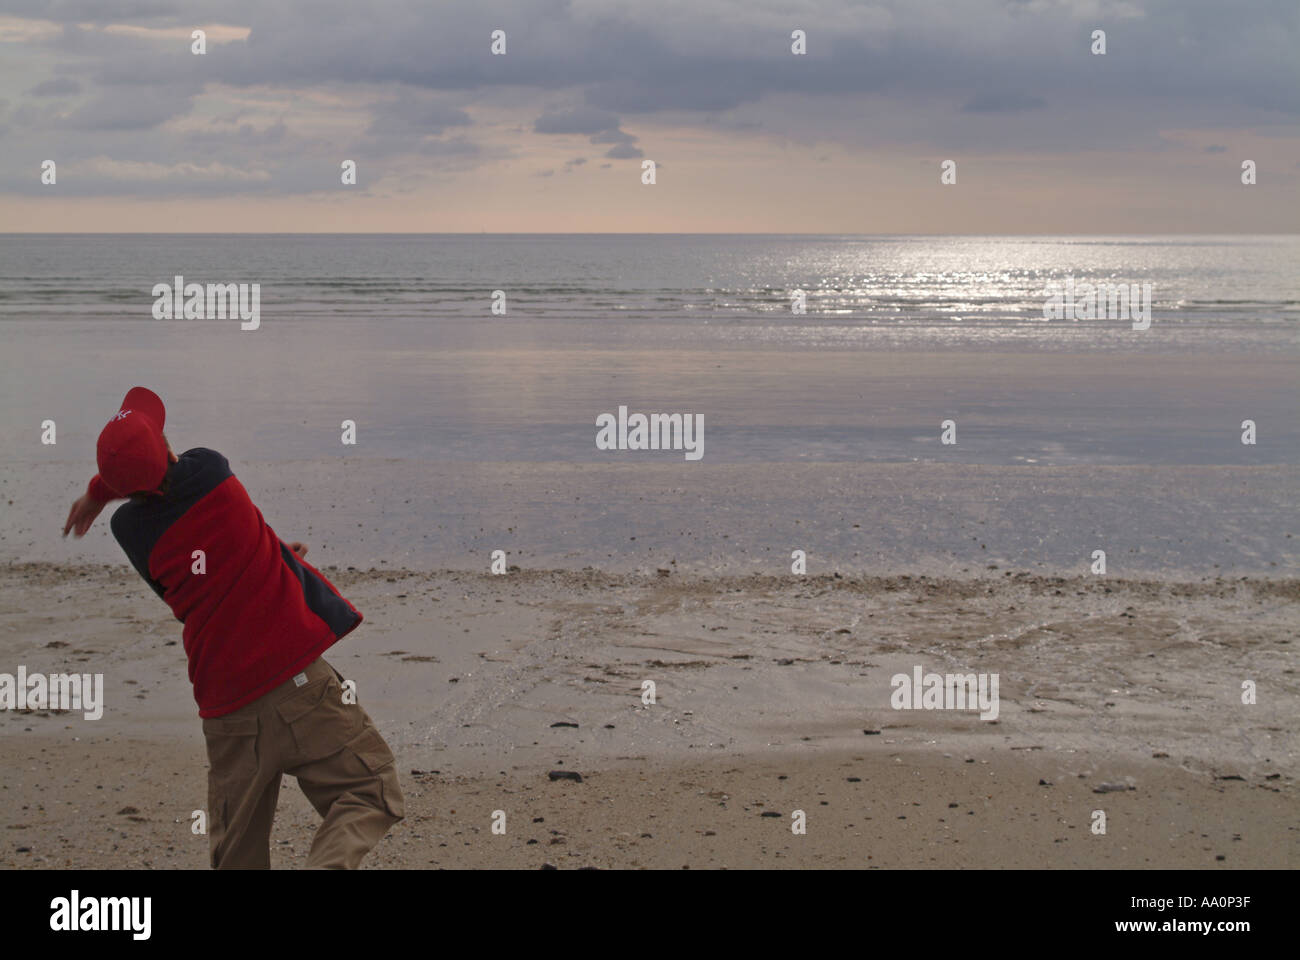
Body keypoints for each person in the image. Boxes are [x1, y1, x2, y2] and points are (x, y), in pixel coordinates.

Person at [63, 386, 403, 869]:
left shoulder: (130, 532)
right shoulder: (210, 469)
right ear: (166, 448)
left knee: (236, 854)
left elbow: (191, 578)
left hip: (226, 707)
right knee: (370, 791)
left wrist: (100, 492)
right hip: (299, 684)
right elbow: (201, 503)